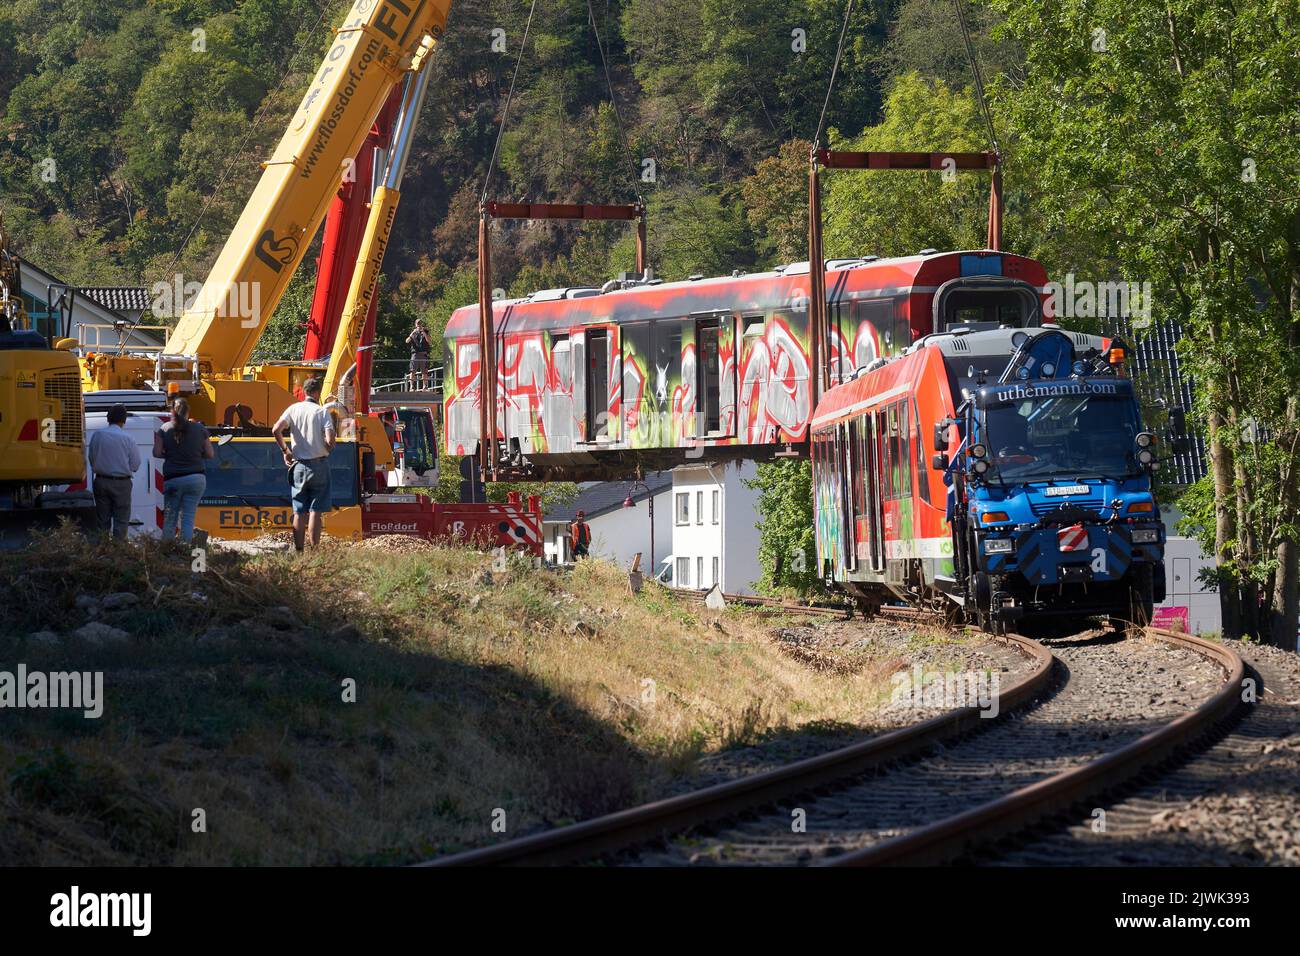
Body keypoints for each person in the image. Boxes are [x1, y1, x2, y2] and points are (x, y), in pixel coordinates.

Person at [271, 377, 337, 552]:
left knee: (299, 511)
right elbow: (330, 440)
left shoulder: (293, 409)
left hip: (298, 465)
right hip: (319, 465)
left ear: (304, 392)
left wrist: (286, 451)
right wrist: (327, 448)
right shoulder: (322, 412)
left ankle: (299, 550)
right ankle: (315, 551)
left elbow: (276, 429)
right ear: (317, 393)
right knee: (316, 509)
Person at [153, 397, 214, 544]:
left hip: (173, 479)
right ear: (188, 412)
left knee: (170, 516)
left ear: (172, 410)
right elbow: (210, 454)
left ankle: (166, 551)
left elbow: (156, 452)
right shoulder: (200, 429)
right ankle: (186, 550)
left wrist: (170, 454)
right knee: (188, 516)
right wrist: (196, 454)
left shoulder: (165, 428)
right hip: (196, 478)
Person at [88, 403, 140, 540]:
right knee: (121, 521)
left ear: (108, 418)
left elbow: (91, 457)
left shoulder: (97, 435)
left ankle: (102, 551)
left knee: (102, 521)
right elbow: (136, 464)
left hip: (100, 481)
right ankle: (118, 553)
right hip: (122, 483)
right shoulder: (128, 438)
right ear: (124, 420)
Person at [406, 319, 431, 389]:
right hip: (415, 354)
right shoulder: (413, 333)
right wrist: (412, 334)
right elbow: (407, 341)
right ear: (415, 325)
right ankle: (411, 386)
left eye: (420, 324)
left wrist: (424, 333)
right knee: (412, 371)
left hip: (423, 354)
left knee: (424, 371)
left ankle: (425, 386)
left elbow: (429, 341)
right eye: (418, 324)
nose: (419, 325)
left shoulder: (426, 332)